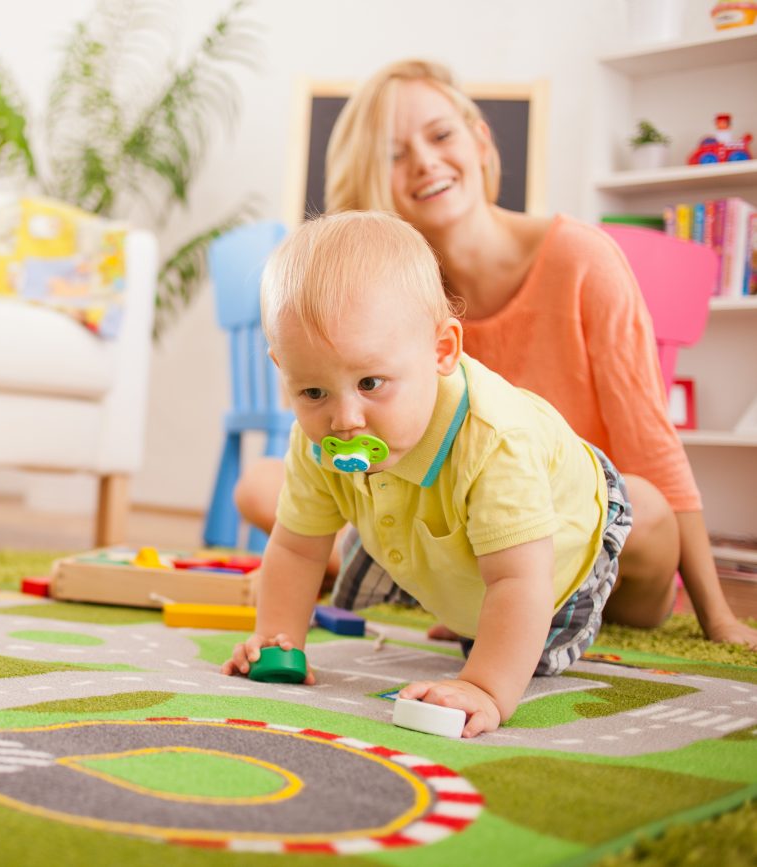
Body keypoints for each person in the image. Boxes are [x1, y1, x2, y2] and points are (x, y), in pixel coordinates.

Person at [234, 59, 757, 650]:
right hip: (453, 523)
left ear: (480, 139)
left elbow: (653, 450)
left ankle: (515, 603)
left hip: (574, 524)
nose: (425, 162)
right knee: (264, 483)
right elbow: (328, 453)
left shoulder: (584, 260)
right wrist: (282, 616)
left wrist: (719, 619)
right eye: (393, 153)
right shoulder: (384, 300)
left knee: (648, 504)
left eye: (439, 135)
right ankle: (464, 593)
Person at [220, 210, 635, 737]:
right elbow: (298, 548)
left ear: (442, 351)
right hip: (436, 522)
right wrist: (278, 639)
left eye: (370, 382)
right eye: (313, 392)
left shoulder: (494, 441)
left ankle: (648, 573)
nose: (345, 421)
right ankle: (466, 608)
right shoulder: (316, 439)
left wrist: (484, 687)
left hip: (565, 543)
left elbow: (520, 578)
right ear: (285, 370)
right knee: (471, 611)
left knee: (533, 648)